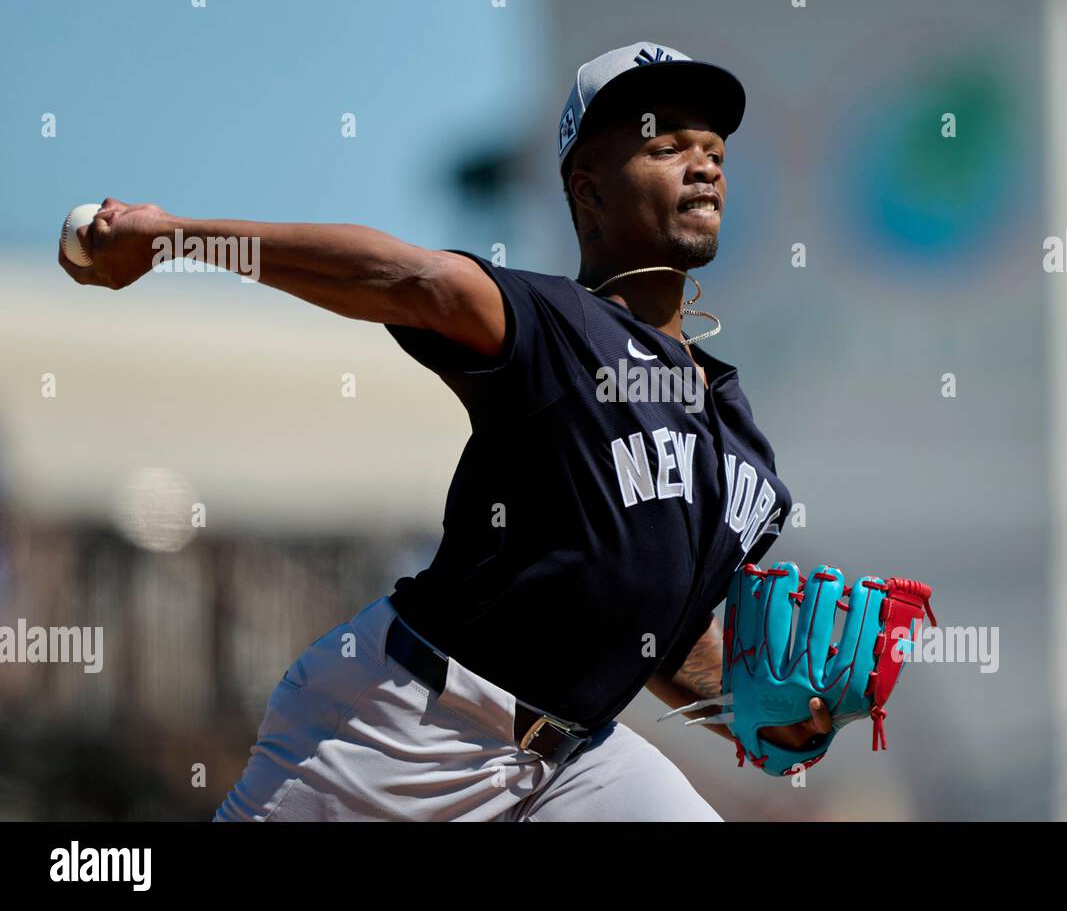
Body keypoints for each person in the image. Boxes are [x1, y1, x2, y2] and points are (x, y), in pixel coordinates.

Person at [59, 42, 831, 821]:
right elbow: (409, 276)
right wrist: (171, 237)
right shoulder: (554, 325)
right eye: (666, 147)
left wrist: (762, 704)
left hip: (575, 760)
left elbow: (657, 630)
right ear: (588, 190)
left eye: (714, 151)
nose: (702, 166)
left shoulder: (733, 430)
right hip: (405, 726)